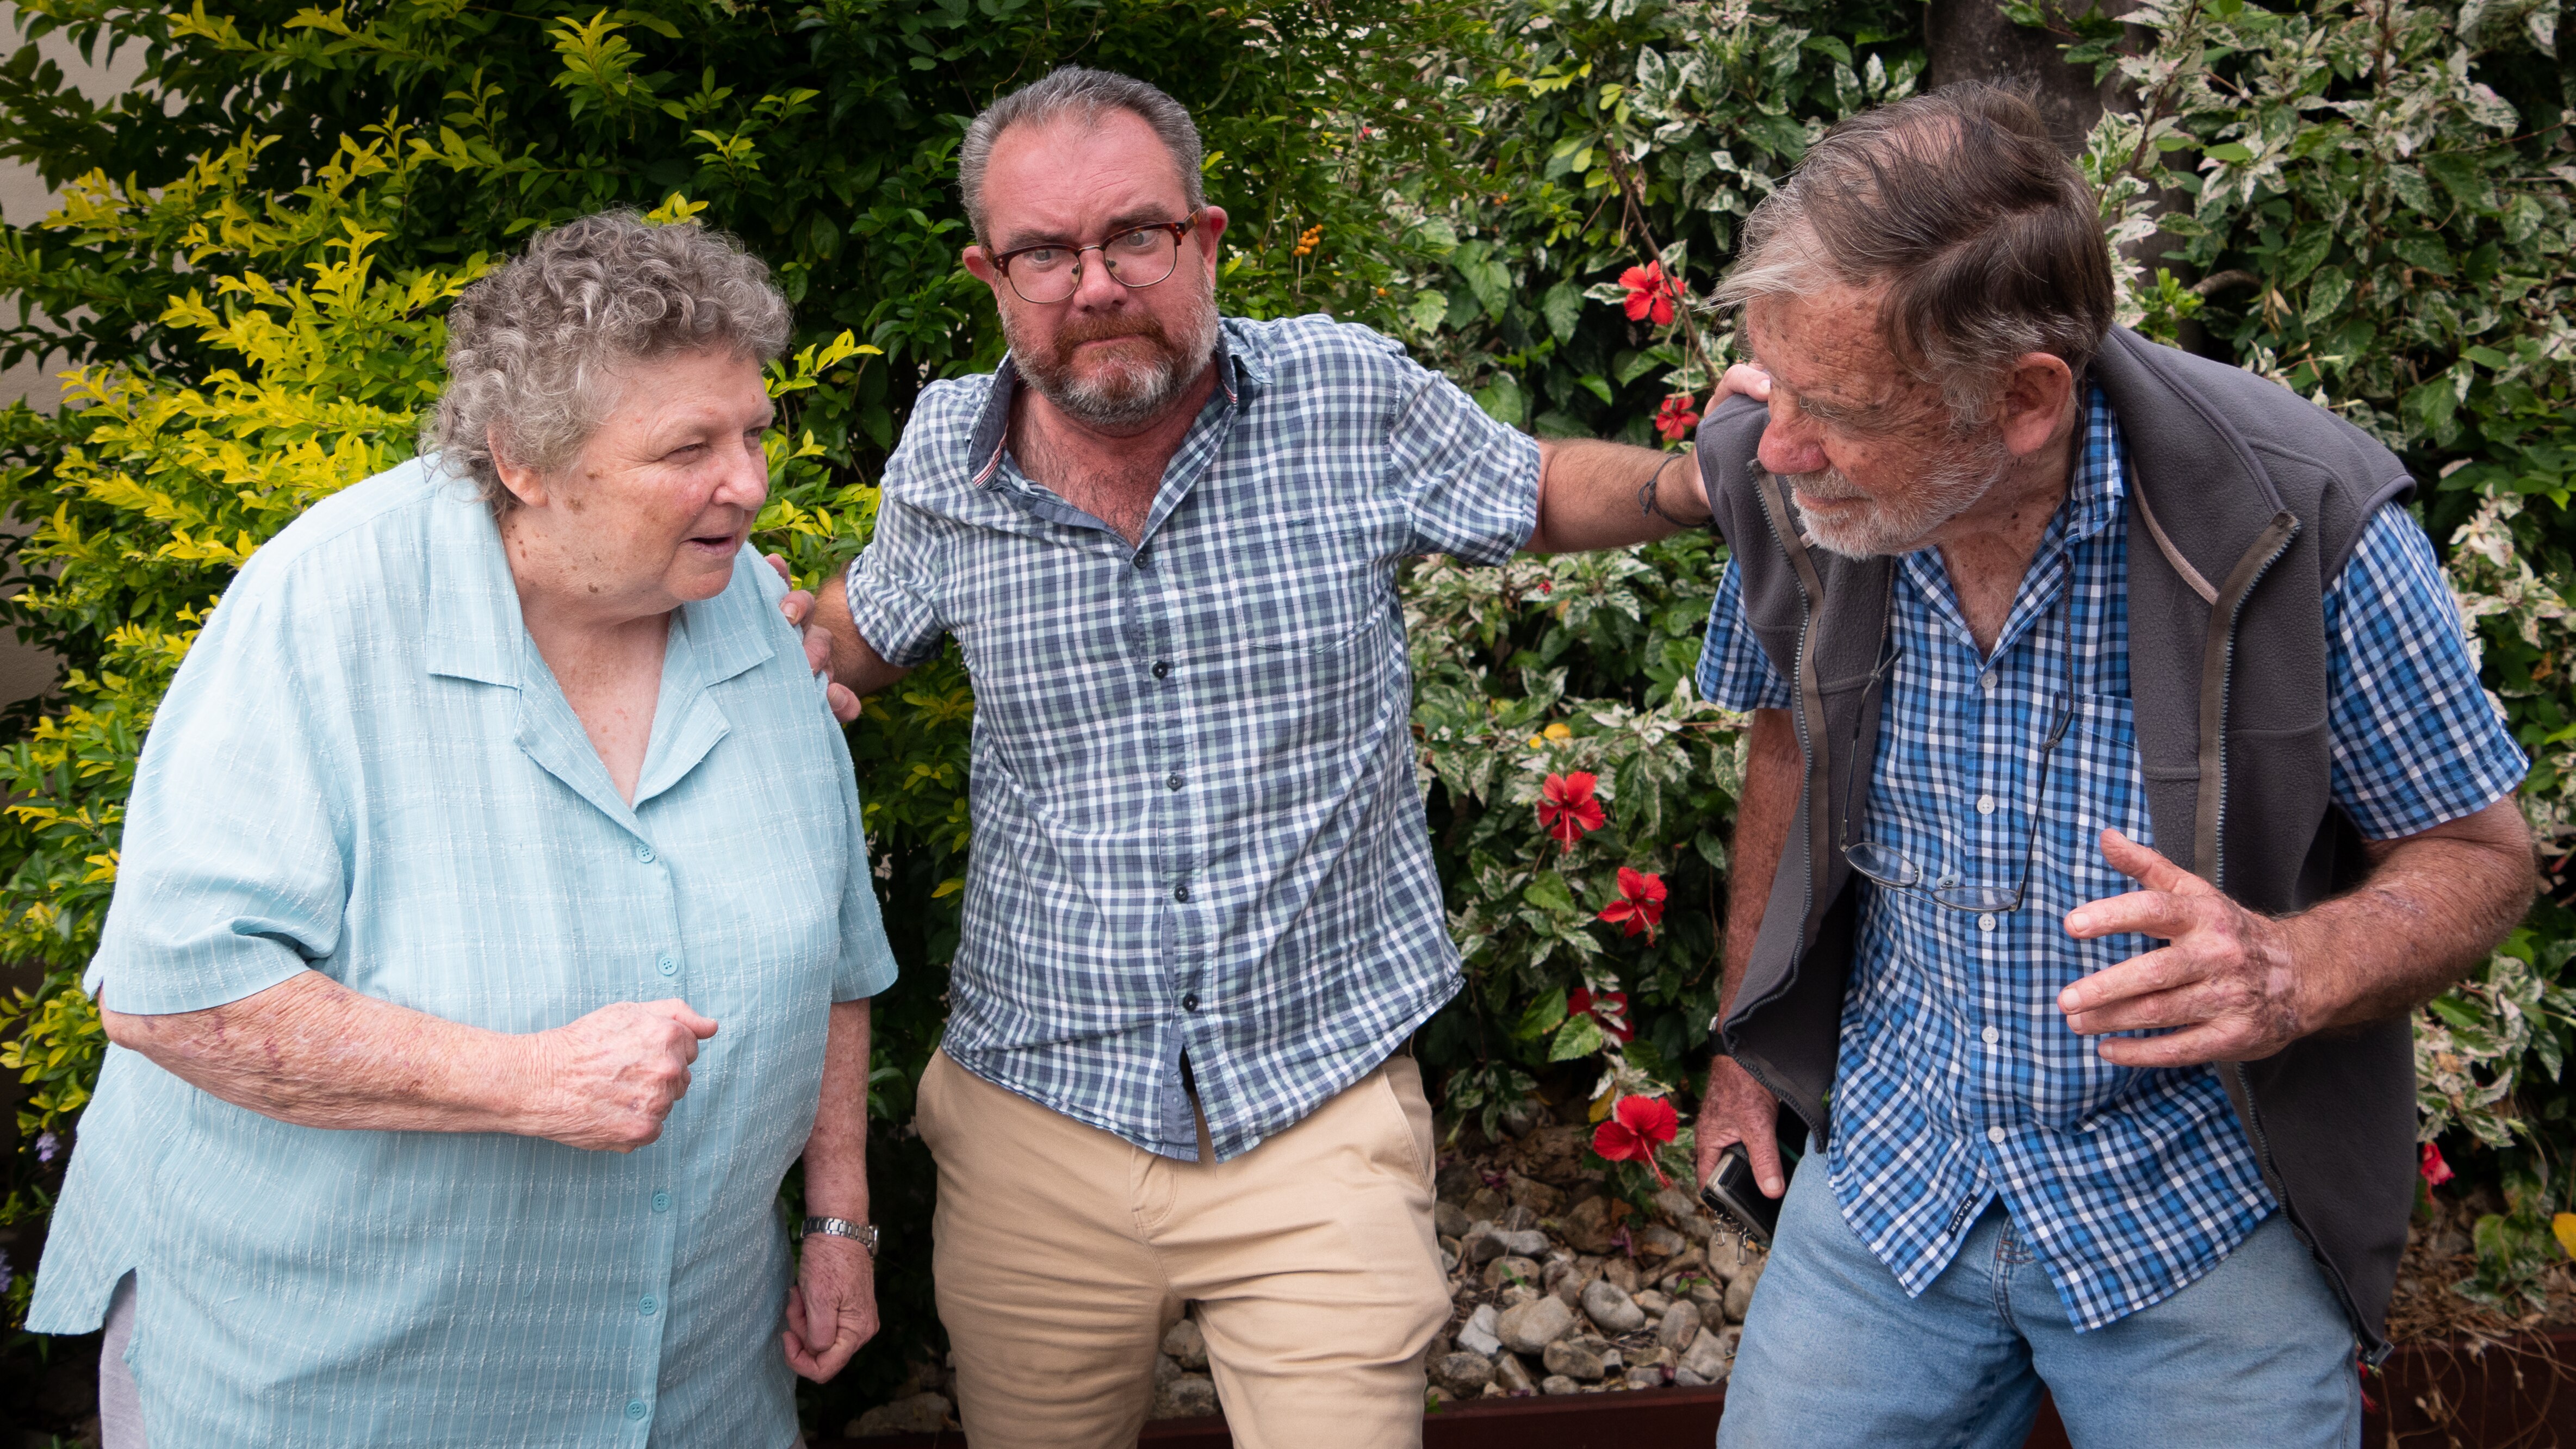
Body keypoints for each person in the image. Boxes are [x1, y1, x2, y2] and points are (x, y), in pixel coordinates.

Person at [790, 64, 1713, 1449]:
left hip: (1315, 1111)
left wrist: (1686, 485)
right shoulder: (944, 457)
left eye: (1134, 236)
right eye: (1045, 250)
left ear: (1205, 237)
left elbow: (1526, 490)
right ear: (991, 274)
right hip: (1034, 1114)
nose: (1093, 282)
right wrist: (760, 669)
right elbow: (863, 631)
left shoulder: (1342, 394)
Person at [1684, 84, 2536, 1446]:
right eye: (1771, 385)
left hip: (2195, 1211)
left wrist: (2290, 968)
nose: (1775, 446)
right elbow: (1785, 742)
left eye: (1833, 407)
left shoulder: (2300, 516)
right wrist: (1746, 1049)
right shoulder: (1805, 494)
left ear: (2021, 402)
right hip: (1892, 1180)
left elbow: (2481, 857)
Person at [27, 212, 898, 1447]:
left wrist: (836, 1217)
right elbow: (176, 995)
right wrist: (526, 1079)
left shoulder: (748, 607)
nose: (747, 483)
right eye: (687, 446)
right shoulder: (325, 606)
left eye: (753, 431)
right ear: (524, 461)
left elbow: (835, 951)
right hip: (341, 1386)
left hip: (689, 1378)